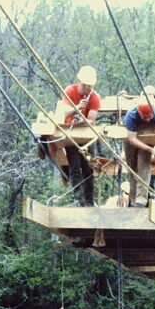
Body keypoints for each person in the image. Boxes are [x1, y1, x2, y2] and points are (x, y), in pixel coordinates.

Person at [123, 86, 155, 207]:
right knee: (132, 167)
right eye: (144, 117)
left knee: (143, 166)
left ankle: (141, 200)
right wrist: (151, 149)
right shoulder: (131, 115)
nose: (147, 119)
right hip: (133, 140)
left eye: (149, 117)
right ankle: (133, 199)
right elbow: (132, 139)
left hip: (148, 138)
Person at [61, 65, 101, 206]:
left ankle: (89, 201)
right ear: (80, 82)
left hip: (86, 135)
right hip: (72, 134)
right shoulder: (69, 91)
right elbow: (63, 112)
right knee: (74, 167)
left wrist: (82, 120)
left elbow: (91, 119)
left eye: (90, 86)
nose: (87, 89)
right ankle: (78, 199)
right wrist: (76, 108)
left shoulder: (94, 97)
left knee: (88, 167)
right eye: (85, 85)